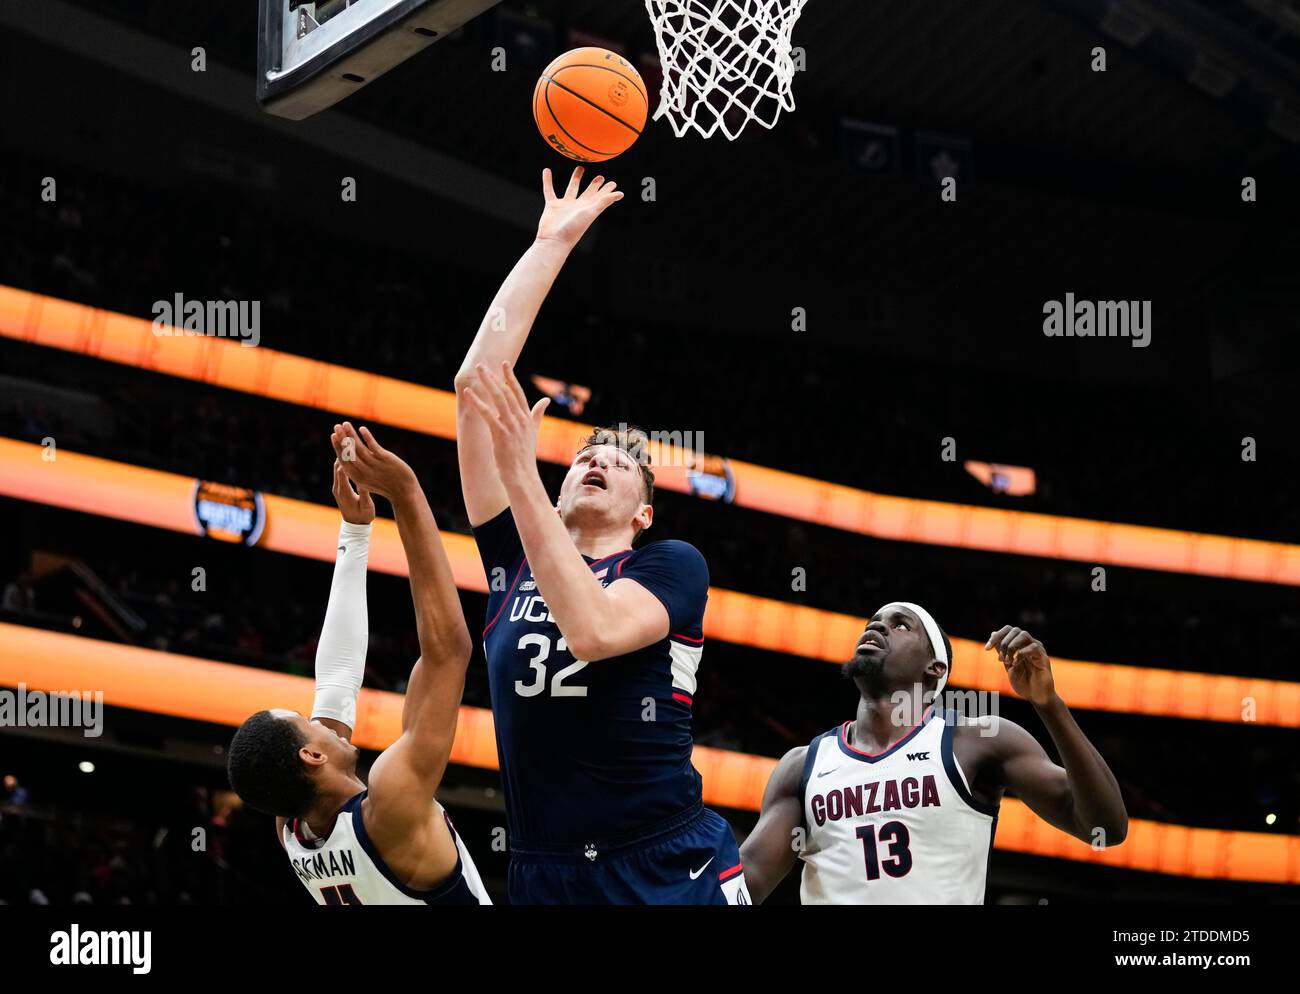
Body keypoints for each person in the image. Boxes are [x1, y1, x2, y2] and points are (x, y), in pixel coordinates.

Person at [453, 167, 749, 905]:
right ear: (558, 490)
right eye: (585, 455)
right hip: (543, 867)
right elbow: (475, 385)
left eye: (618, 465)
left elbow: (591, 631)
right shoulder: (510, 559)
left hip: (663, 861)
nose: (597, 461)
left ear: (642, 513)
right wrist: (549, 245)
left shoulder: (671, 565)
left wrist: (524, 476)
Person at [226, 424, 489, 905]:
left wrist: (356, 531)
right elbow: (449, 652)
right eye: (307, 724)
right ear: (313, 755)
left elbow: (337, 678)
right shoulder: (390, 806)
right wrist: (406, 493)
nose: (319, 720)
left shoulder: (295, 830)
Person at [740, 602, 1127, 904]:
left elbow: (1105, 828)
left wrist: (1048, 704)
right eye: (874, 620)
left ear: (933, 667)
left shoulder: (975, 740)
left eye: (900, 624)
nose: (877, 625)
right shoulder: (803, 765)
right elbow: (747, 883)